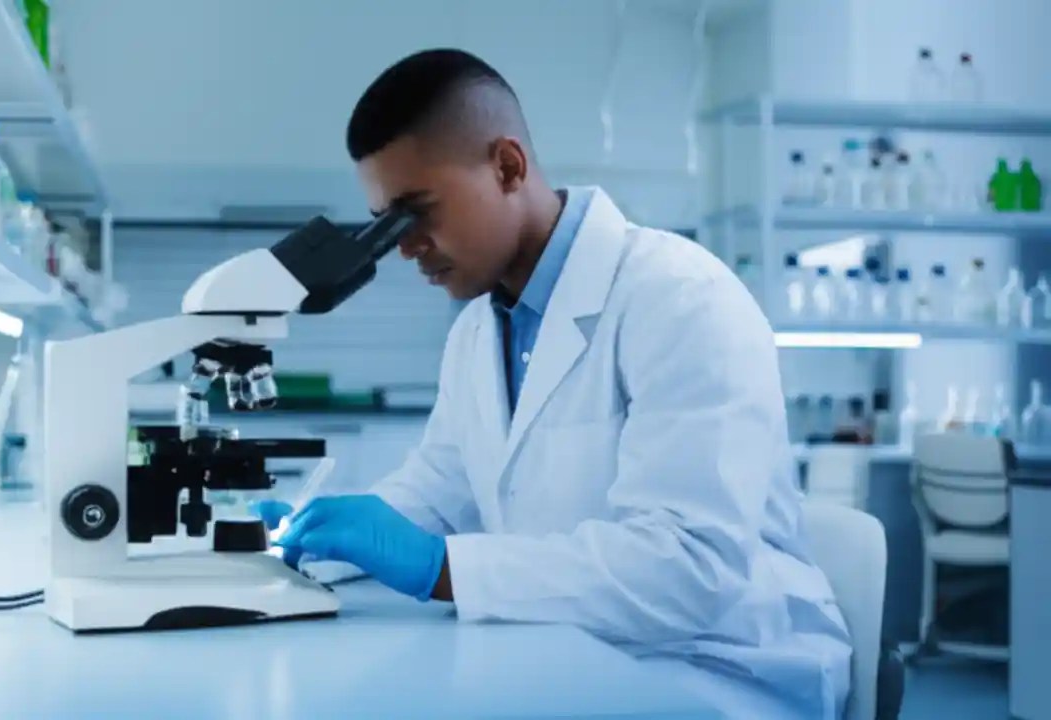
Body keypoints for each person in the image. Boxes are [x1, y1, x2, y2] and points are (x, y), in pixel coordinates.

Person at [271, 48, 852, 718]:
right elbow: (439, 494)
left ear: (507, 167)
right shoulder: (478, 330)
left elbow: (690, 567)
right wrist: (309, 541)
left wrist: (441, 567)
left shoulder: (681, 297)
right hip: (568, 652)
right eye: (384, 223)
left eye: (416, 212)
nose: (404, 247)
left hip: (721, 669)